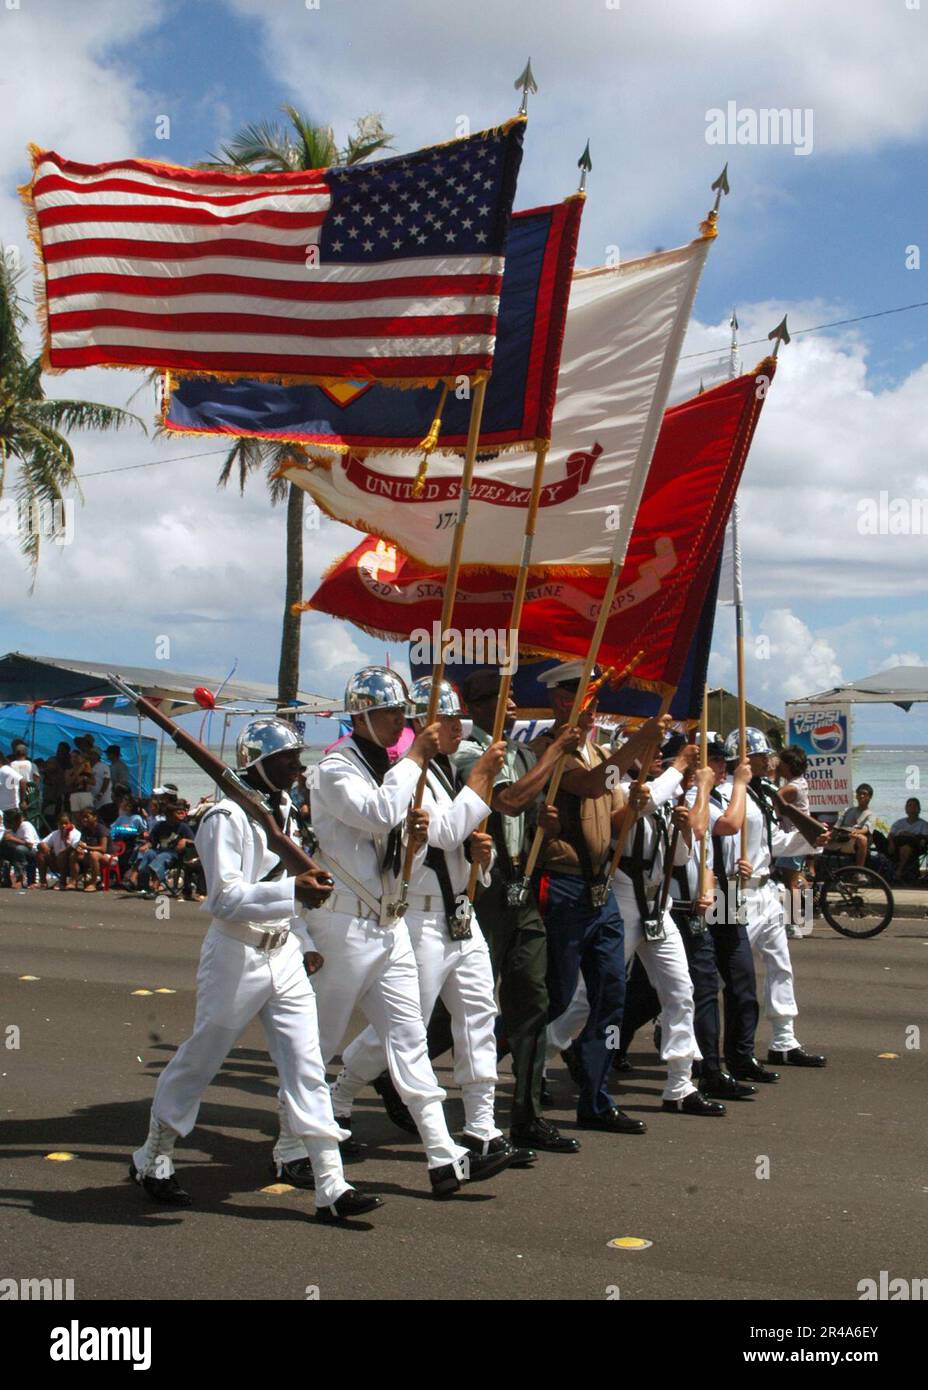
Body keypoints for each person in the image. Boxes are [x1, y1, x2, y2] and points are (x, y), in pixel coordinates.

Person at [130, 716, 381, 1223]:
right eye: (289, 757)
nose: (298, 764)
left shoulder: (282, 810)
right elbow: (224, 898)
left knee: (308, 1066)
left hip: (284, 951)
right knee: (203, 1058)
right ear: (260, 763)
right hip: (237, 954)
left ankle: (330, 1183)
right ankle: (154, 1154)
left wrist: (305, 937)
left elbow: (290, 888)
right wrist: (292, 892)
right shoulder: (225, 816)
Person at [279, 666, 513, 1201]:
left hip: (385, 922)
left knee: (409, 1041)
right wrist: (416, 760)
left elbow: (396, 849)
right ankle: (291, 1146)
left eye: (401, 714)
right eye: (388, 713)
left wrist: (419, 840)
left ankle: (445, 1154)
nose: (398, 723)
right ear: (360, 714)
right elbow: (380, 813)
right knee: (316, 1043)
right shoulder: (336, 770)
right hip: (340, 923)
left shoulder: (389, 765)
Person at [330, 678, 535, 1169]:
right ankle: (339, 1097)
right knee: (404, 1030)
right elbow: (443, 831)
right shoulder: (409, 772)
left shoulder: (443, 771)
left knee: (479, 1016)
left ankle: (481, 1128)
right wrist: (483, 780)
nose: (456, 729)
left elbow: (459, 846)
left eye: (458, 720)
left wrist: (480, 859)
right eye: (446, 721)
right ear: (424, 724)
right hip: (420, 918)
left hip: (460, 916)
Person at [531, 664, 682, 1130]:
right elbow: (592, 783)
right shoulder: (550, 748)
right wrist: (640, 742)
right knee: (554, 997)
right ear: (561, 701)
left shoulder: (598, 749)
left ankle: (594, 1097)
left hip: (600, 890)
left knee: (610, 994)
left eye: (595, 696)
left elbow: (614, 815)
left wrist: (634, 808)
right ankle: (522, 1073)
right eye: (583, 695)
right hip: (564, 884)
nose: (593, 704)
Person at [448, 667, 586, 1155]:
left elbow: (526, 813)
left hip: (519, 888)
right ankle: (391, 1073)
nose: (510, 708)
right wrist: (552, 755)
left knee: (532, 1001)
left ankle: (527, 1115)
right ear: (477, 705)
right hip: (481, 889)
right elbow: (506, 800)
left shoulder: (523, 753)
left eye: (511, 700)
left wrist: (543, 825)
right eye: (500, 699)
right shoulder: (468, 753)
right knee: (466, 1006)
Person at [612, 733, 726, 1116]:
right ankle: (546, 1061)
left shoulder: (662, 798)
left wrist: (681, 828)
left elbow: (677, 858)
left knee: (681, 990)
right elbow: (633, 811)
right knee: (591, 996)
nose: (657, 756)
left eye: (661, 753)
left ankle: (680, 1084)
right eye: (649, 749)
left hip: (657, 904)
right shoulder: (620, 789)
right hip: (624, 899)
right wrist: (679, 768)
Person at [722, 727, 829, 1070]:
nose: (769, 761)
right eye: (760, 756)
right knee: (718, 973)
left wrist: (810, 838)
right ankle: (682, 1034)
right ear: (742, 759)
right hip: (735, 893)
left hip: (765, 889)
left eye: (767, 755)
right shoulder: (727, 794)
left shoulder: (761, 794)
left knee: (780, 965)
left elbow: (772, 845)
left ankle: (784, 1040)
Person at [775, 746, 812, 938]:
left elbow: (774, 800)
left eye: (781, 763)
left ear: (788, 766)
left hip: (794, 839)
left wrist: (772, 775)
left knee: (790, 883)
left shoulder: (791, 788)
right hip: (798, 838)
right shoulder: (800, 782)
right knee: (793, 878)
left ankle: (794, 924)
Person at [126, 801, 196, 894]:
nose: (182, 815)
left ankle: (154, 888)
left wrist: (185, 841)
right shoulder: (160, 825)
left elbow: (195, 842)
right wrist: (146, 846)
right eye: (178, 813)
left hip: (174, 855)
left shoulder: (183, 827)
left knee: (161, 857)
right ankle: (136, 882)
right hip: (160, 851)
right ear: (169, 815)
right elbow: (152, 841)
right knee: (147, 852)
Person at [69, 807, 112, 892]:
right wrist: (79, 849)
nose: (84, 819)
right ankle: (73, 881)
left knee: (94, 855)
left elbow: (103, 849)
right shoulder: (85, 829)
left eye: (87, 817)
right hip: (91, 854)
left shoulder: (101, 829)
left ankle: (93, 882)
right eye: (82, 817)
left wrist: (86, 847)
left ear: (95, 817)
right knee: (74, 854)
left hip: (108, 857)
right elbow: (82, 844)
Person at [833, 784, 875, 868]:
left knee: (863, 839)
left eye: (864, 794)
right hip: (842, 835)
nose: (861, 796)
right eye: (859, 793)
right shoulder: (848, 810)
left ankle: (859, 870)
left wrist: (855, 832)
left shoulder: (871, 814)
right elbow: (837, 825)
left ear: (870, 797)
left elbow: (865, 829)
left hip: (855, 838)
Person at [887, 798, 928, 883]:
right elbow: (891, 835)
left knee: (906, 846)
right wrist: (891, 843)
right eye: (909, 806)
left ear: (919, 809)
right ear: (906, 809)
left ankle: (899, 871)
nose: (912, 808)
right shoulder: (899, 823)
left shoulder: (923, 824)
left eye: (914, 806)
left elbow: (924, 838)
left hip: (915, 847)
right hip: (896, 846)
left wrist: (908, 834)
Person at [36, 813, 82, 888]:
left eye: (66, 823)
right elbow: (40, 844)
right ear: (57, 824)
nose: (63, 826)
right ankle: (43, 882)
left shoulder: (76, 833)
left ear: (70, 823)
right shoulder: (55, 833)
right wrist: (42, 846)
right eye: (61, 823)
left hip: (71, 863)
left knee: (63, 855)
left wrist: (63, 852)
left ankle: (63, 882)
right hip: (56, 862)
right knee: (40, 854)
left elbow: (74, 846)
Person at [0, 808, 40, 887]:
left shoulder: (25, 825)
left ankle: (20, 879)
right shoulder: (10, 830)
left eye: (6, 821)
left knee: (19, 849)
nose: (4, 823)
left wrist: (13, 839)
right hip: (18, 852)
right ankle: (5, 878)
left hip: (32, 852)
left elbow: (30, 845)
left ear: (14, 821)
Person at [0, 752, 24, 819]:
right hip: (4, 810)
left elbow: (22, 781)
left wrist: (22, 801)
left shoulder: (5, 770)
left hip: (10, 810)